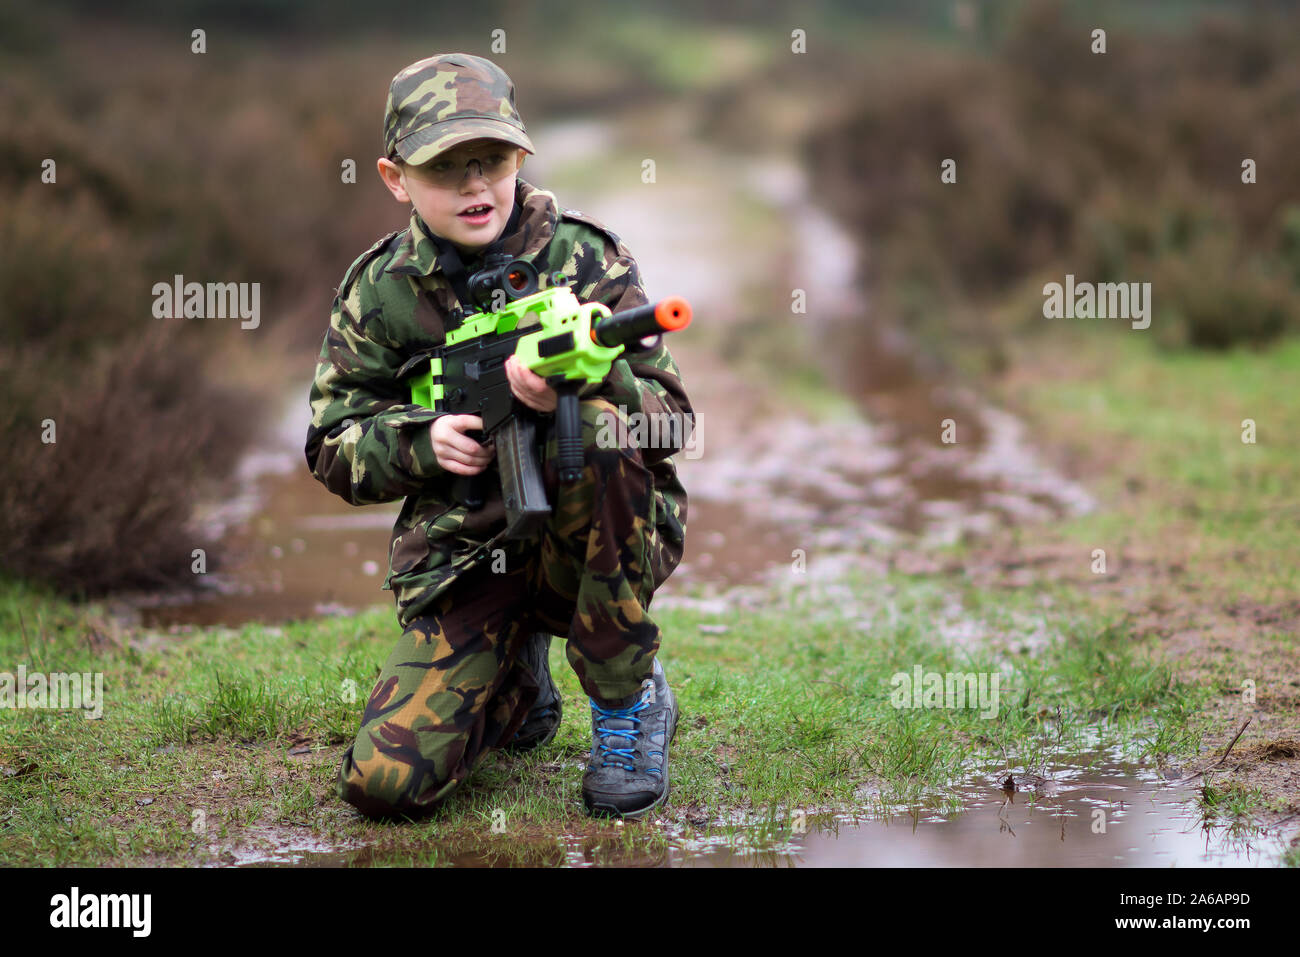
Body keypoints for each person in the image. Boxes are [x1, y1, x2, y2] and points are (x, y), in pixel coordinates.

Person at [303, 53, 693, 820]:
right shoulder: (380, 291)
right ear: (394, 177)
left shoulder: (585, 260)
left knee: (608, 430)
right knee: (384, 784)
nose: (475, 185)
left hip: (594, 542)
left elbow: (672, 420)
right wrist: (424, 442)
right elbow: (328, 443)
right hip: (470, 552)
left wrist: (588, 388)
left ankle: (628, 700)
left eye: (491, 161)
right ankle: (517, 679)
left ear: (521, 156)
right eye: (446, 168)